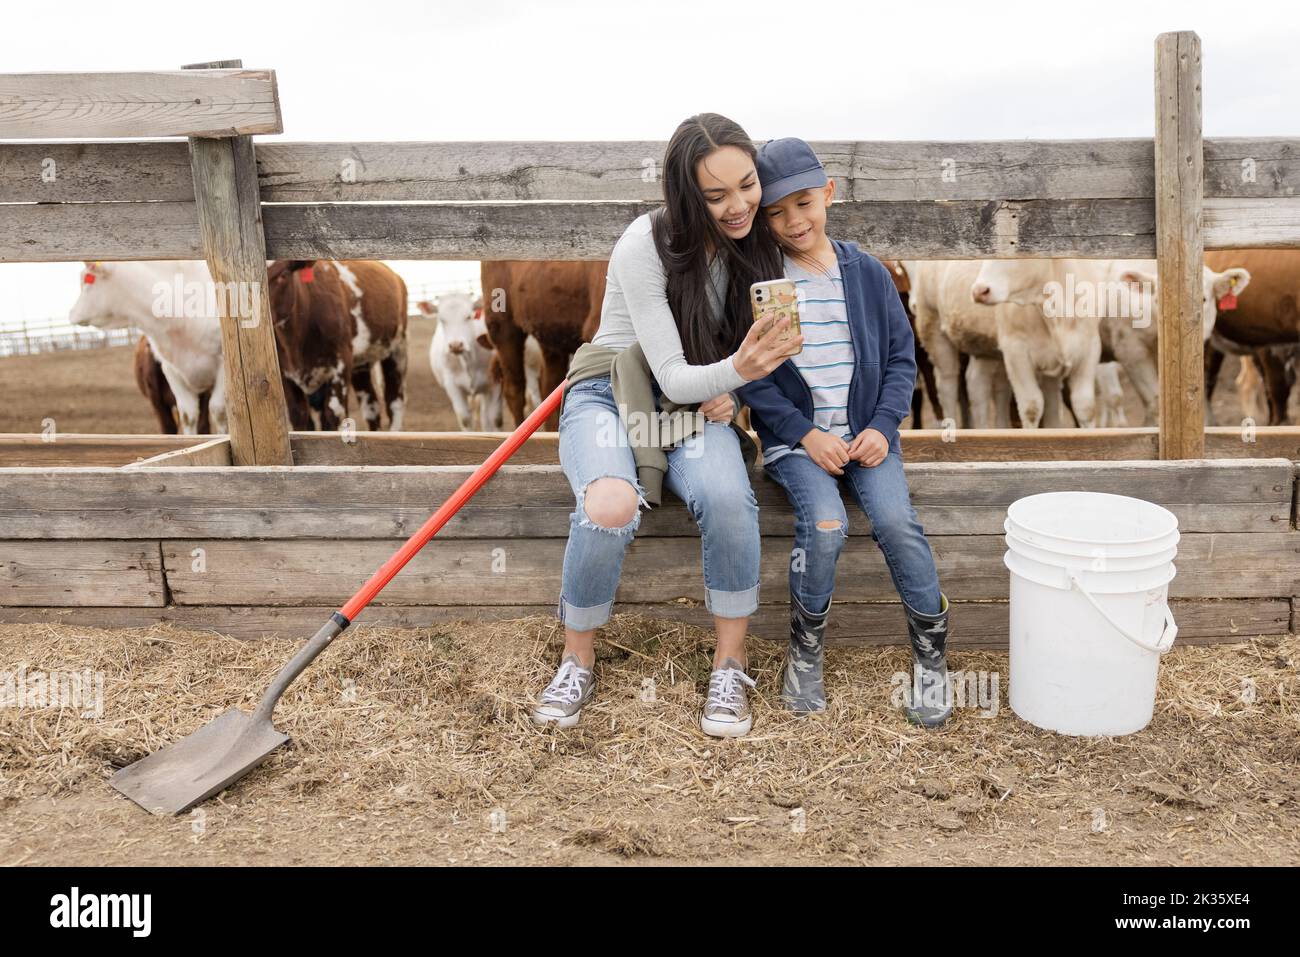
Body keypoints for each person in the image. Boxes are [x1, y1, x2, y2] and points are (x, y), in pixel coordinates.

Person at [531, 115, 800, 737]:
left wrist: (735, 390)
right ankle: (578, 660)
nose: (738, 206)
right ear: (685, 194)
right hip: (610, 392)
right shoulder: (643, 243)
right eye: (715, 196)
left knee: (730, 495)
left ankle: (730, 666)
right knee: (610, 503)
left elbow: (728, 369)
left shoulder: (759, 245)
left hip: (694, 404)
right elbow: (675, 376)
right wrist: (735, 371)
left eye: (747, 185)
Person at [736, 138, 953, 725]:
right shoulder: (763, 285)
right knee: (827, 526)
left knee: (896, 524)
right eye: (775, 213)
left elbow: (903, 358)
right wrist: (804, 435)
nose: (792, 222)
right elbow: (753, 380)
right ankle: (805, 652)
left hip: (867, 438)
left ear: (828, 194)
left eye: (803, 204)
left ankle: (931, 657)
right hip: (797, 444)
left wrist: (883, 426)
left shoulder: (869, 275)